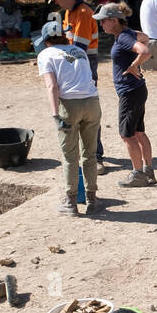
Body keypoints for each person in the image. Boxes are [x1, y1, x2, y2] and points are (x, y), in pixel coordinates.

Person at [36, 20, 102, 216]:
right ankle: (92, 199)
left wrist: (55, 114)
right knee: (89, 154)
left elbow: (52, 86)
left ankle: (71, 202)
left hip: (69, 105)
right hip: (92, 102)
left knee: (69, 156)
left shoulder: (46, 54)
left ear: (47, 40)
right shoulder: (79, 50)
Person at [95, 2, 157, 189]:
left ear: (114, 20)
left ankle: (138, 174)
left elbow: (145, 50)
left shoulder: (123, 37)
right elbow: (145, 38)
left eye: (103, 21)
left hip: (130, 92)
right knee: (138, 132)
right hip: (136, 90)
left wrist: (134, 65)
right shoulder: (128, 34)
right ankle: (148, 171)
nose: (101, 24)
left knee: (127, 135)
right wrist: (135, 63)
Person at [49, 0, 104, 161]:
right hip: (76, 61)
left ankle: (96, 155)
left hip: (86, 62)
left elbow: (79, 48)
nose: (56, 2)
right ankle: (89, 152)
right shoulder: (68, 13)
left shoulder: (83, 13)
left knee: (88, 106)